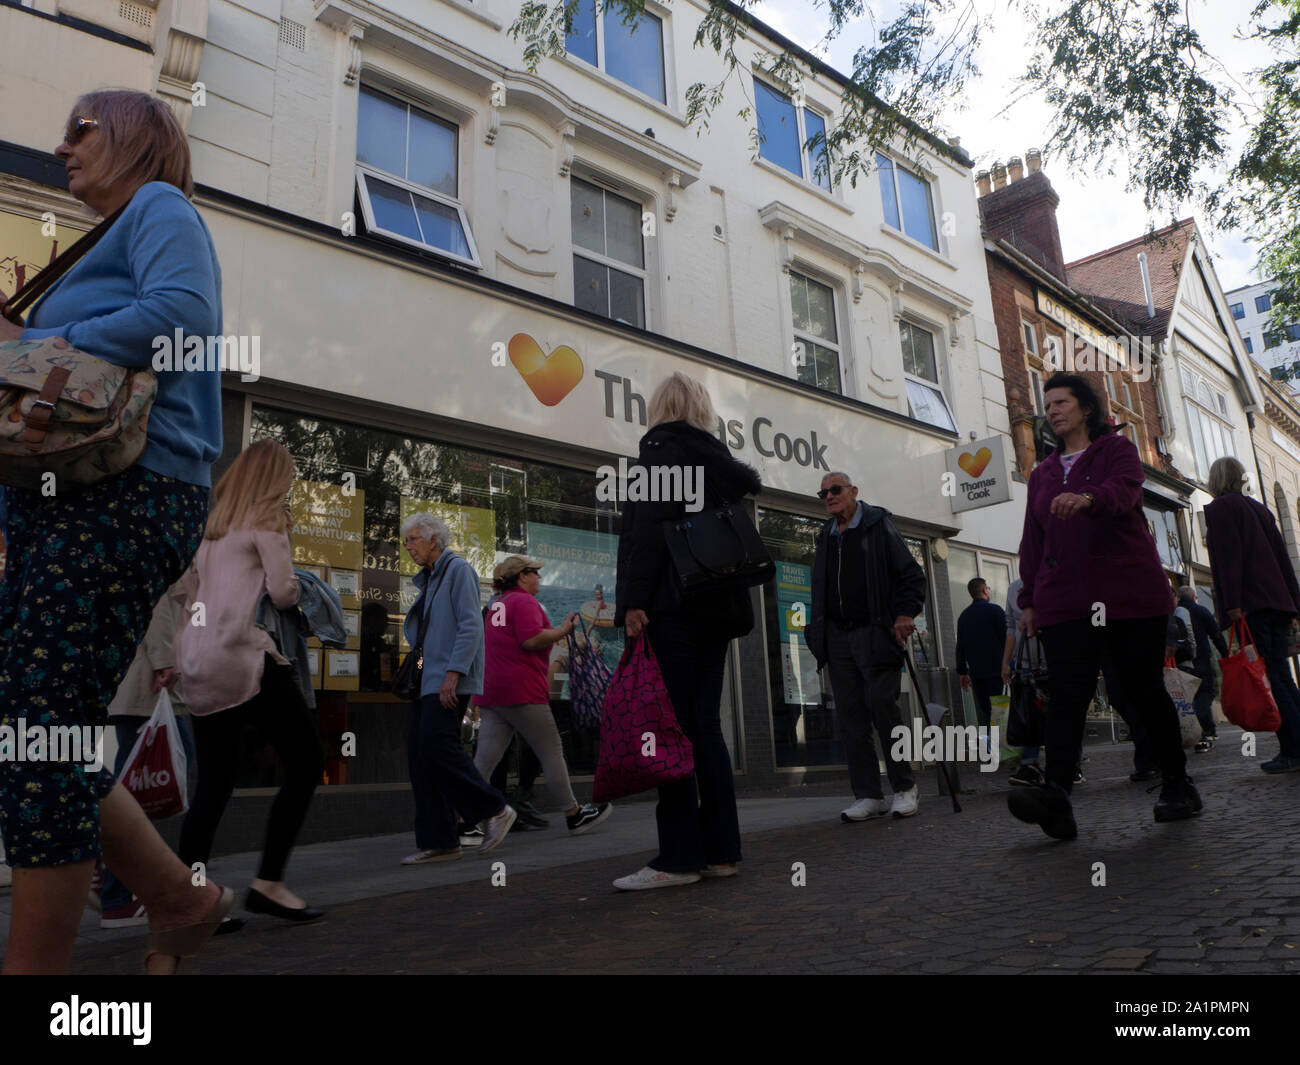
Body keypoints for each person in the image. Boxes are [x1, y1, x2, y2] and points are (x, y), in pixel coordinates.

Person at [0, 90, 232, 974]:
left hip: (127, 489)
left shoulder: (160, 208)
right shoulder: (97, 244)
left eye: (80, 130)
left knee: (36, 734)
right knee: (29, 729)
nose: (61, 147)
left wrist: (41, 341)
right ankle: (178, 896)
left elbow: (185, 322)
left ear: (135, 136)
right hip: (63, 498)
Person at [1009, 373, 1201, 839]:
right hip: (1065, 602)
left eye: (1061, 402)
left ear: (1086, 409)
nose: (1051, 410)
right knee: (1067, 698)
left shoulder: (1116, 451)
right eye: (1047, 404)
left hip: (1127, 595)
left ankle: (1177, 784)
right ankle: (1057, 799)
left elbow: (1126, 491)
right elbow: (1033, 540)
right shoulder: (1042, 474)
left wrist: (1088, 497)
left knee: (1142, 689)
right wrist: (1029, 600)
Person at [613, 372, 761, 890]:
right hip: (716, 611)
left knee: (668, 729)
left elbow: (645, 536)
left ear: (659, 407)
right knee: (705, 728)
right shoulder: (718, 465)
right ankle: (721, 852)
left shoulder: (657, 454)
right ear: (701, 409)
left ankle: (676, 858)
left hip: (669, 611)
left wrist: (632, 602)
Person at [174, 440, 326, 924]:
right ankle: (269, 883)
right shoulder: (268, 520)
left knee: (214, 784)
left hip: (197, 660)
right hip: (242, 655)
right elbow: (283, 593)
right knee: (306, 763)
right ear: (275, 479)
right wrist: (303, 584)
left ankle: (192, 901)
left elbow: (187, 594)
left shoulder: (212, 528)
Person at [804, 472, 927, 822]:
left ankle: (905, 788)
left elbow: (911, 574)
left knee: (882, 707)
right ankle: (868, 795)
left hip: (874, 632)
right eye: (823, 492)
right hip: (838, 637)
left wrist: (905, 612)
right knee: (851, 715)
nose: (828, 496)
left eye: (835, 490)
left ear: (853, 491)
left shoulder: (877, 525)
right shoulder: (825, 537)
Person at [400, 513, 515, 863]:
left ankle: (493, 808)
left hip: (448, 678)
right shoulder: (432, 578)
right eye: (406, 541)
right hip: (427, 680)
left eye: (413, 539)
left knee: (438, 746)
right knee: (420, 757)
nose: (409, 547)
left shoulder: (458, 571)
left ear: (435, 540)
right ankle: (440, 840)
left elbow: (470, 626)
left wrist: (454, 673)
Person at [473, 556, 611, 834]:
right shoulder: (523, 602)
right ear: (522, 576)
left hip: (491, 691)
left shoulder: (496, 604)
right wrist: (562, 630)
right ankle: (574, 814)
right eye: (535, 573)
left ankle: (464, 818)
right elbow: (530, 640)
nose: (539, 578)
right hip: (522, 690)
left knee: (484, 761)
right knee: (551, 751)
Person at [98, 585, 198, 929]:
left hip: (138, 687)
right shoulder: (173, 542)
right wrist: (165, 663)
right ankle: (115, 894)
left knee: (132, 789)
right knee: (143, 790)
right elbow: (158, 609)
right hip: (151, 688)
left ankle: (109, 876)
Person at [1204, 456, 1300, 772]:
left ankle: (1292, 750)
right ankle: (1295, 743)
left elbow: (1229, 559)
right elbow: (1282, 557)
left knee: (1270, 677)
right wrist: (1295, 604)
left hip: (1252, 605)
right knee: (1282, 676)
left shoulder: (1221, 509)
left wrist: (1231, 604)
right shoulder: (1260, 509)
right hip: (1278, 603)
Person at [1175, 586, 1228, 754]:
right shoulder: (1201, 611)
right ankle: (1204, 730)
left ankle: (1209, 729)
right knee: (1206, 693)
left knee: (1192, 695)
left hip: (1182, 660)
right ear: (1194, 597)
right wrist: (1225, 653)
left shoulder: (1175, 612)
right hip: (1202, 658)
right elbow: (1216, 634)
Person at [956, 577, 1007, 732]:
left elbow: (961, 646)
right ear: (985, 590)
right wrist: (1010, 664)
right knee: (1000, 712)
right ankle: (1003, 752)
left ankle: (988, 752)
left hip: (977, 674)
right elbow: (1006, 638)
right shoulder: (995, 610)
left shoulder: (964, 616)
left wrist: (962, 672)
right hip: (997, 671)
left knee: (984, 714)